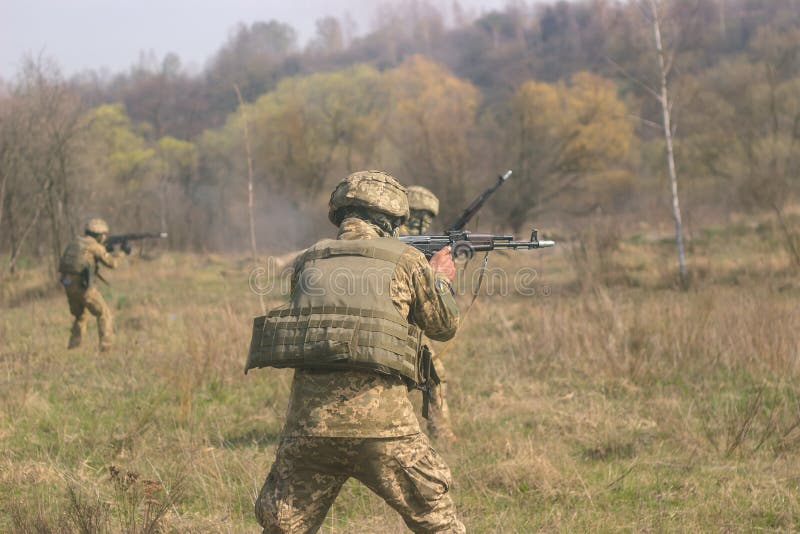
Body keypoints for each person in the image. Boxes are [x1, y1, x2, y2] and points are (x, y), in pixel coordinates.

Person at [246, 170, 465, 533]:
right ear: (392, 218)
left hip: (310, 428)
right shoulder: (407, 260)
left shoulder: (308, 260)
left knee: (283, 528)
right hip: (387, 430)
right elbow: (443, 326)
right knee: (439, 523)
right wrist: (439, 278)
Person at [400, 186, 457, 443]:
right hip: (397, 326)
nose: (422, 223)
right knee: (435, 374)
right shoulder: (397, 243)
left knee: (435, 375)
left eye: (427, 217)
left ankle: (441, 433)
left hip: (407, 324)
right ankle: (441, 433)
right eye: (418, 215)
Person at [58, 218, 125, 351]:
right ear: (99, 235)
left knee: (81, 316)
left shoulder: (75, 243)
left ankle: (73, 348)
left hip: (68, 285)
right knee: (104, 314)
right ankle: (106, 349)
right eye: (104, 235)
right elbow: (113, 263)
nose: (105, 237)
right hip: (83, 287)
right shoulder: (94, 246)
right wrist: (122, 252)